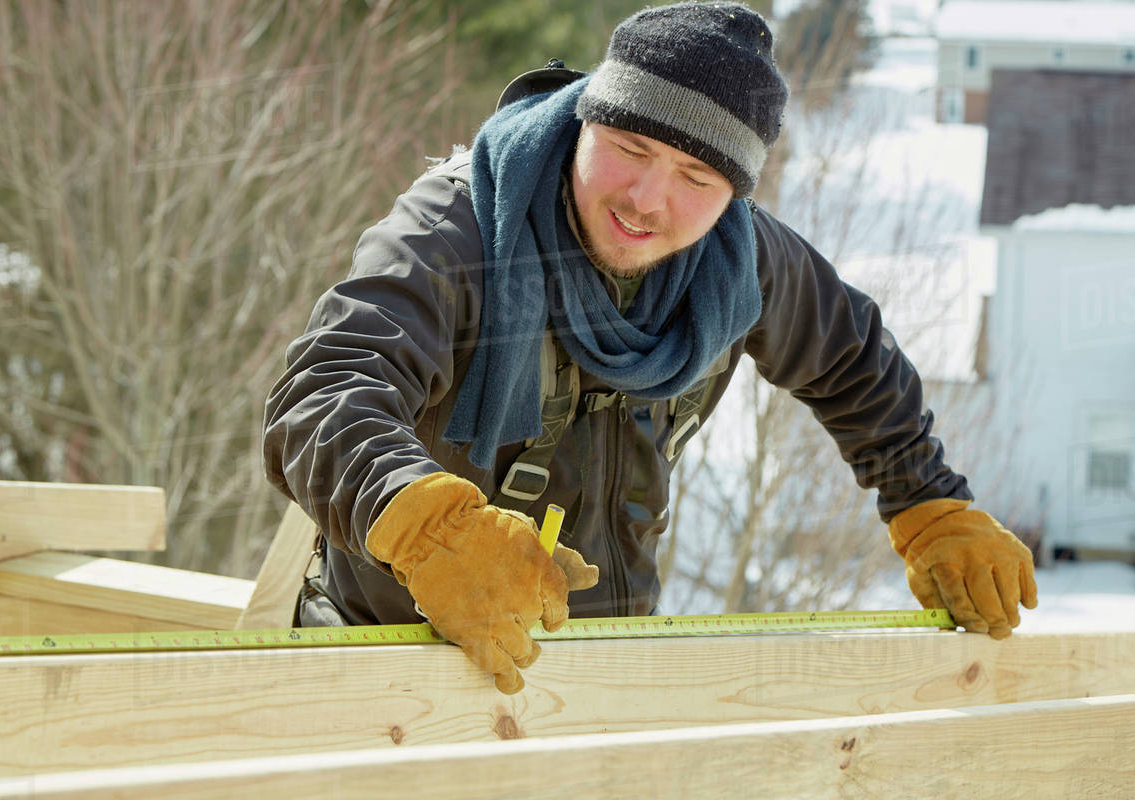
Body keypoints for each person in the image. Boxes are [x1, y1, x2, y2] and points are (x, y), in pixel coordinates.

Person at [262, 2, 1038, 694]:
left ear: (734, 195)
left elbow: (852, 359)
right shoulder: (457, 231)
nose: (647, 199)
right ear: (585, 120)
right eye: (630, 146)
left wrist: (928, 503)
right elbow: (323, 396)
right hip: (383, 670)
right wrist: (430, 530)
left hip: (602, 681)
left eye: (696, 175)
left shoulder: (738, 262)